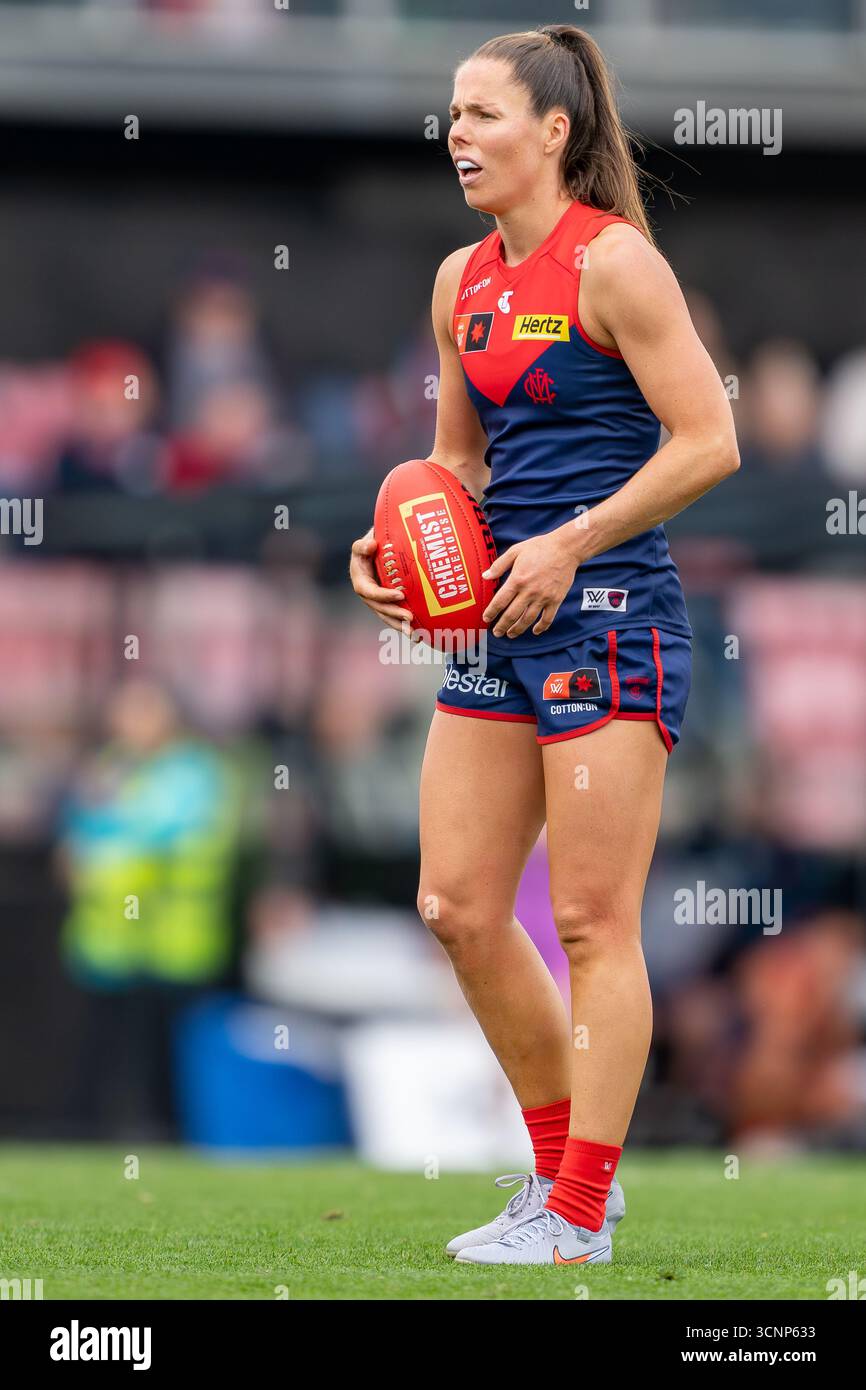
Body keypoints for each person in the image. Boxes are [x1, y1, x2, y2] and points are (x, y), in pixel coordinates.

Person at [349, 24, 738, 1266]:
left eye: (481, 114)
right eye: (449, 116)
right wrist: (394, 553)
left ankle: (576, 1214)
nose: (455, 135)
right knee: (456, 903)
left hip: (607, 614)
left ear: (553, 132)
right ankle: (563, 1176)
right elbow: (458, 463)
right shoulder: (458, 281)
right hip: (494, 625)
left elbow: (708, 441)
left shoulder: (615, 264)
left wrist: (570, 542)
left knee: (587, 923)